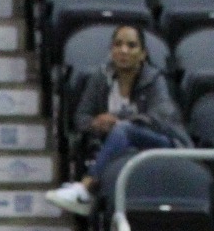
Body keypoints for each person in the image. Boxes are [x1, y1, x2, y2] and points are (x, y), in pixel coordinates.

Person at [45, 24, 190, 217]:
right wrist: (96, 124)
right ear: (111, 50)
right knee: (120, 132)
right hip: (116, 145)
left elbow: (160, 116)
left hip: (161, 142)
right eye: (118, 44)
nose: (124, 50)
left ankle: (86, 189)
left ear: (143, 54)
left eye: (131, 46)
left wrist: (117, 120)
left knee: (123, 130)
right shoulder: (100, 78)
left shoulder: (155, 79)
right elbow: (81, 118)